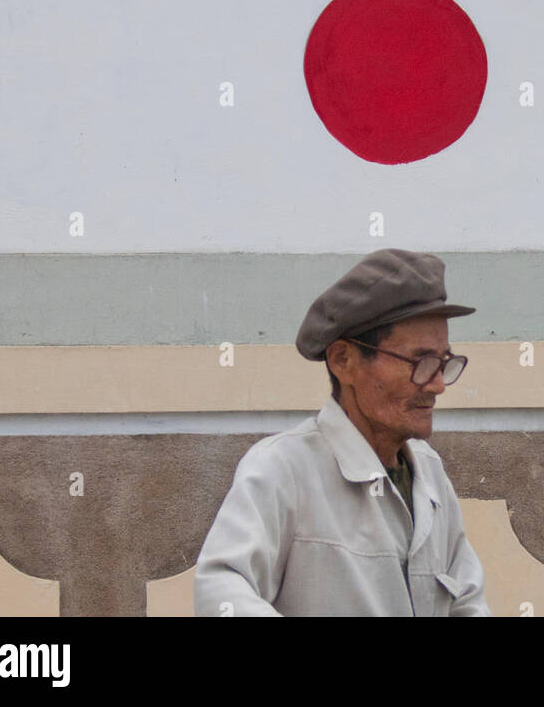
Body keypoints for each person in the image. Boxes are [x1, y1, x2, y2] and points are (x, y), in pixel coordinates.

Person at [193, 247, 491, 616]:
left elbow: (468, 604)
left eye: (443, 363)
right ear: (343, 361)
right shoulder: (283, 469)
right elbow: (220, 590)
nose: (437, 385)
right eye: (421, 362)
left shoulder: (430, 476)